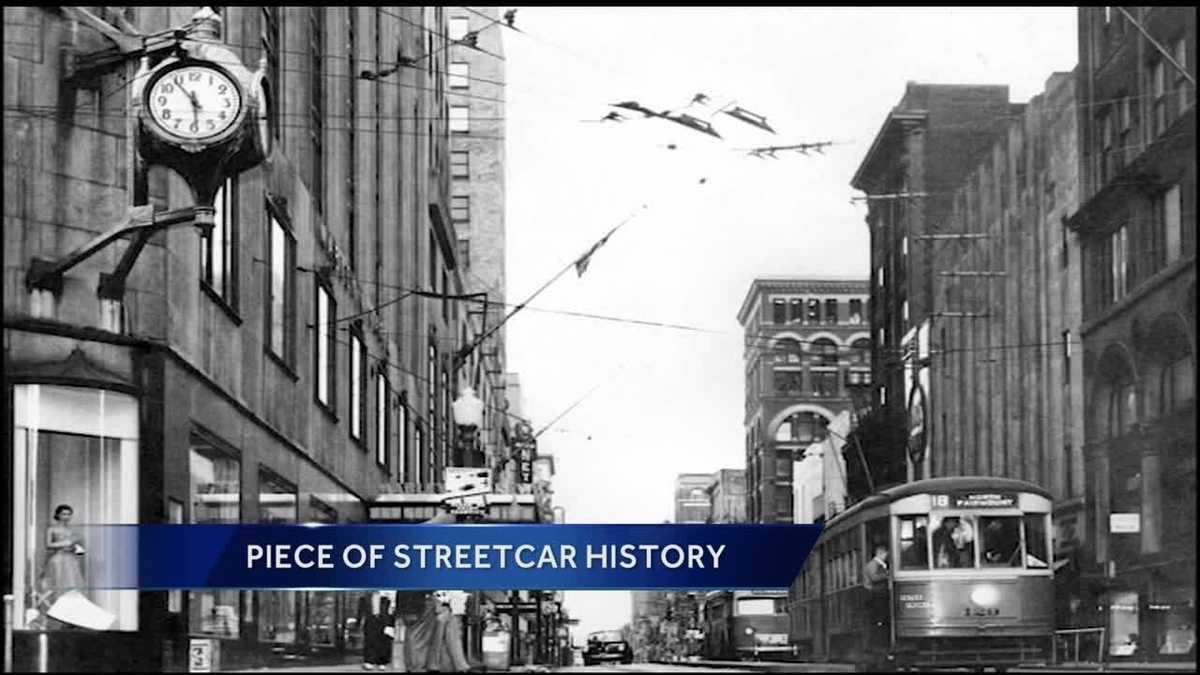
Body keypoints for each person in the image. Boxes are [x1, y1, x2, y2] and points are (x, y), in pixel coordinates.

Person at [40, 504, 85, 598]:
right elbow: (48, 545)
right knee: (58, 583)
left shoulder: (71, 530)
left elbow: (77, 547)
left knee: (72, 583)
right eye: (64, 514)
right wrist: (65, 543)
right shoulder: (52, 529)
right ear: (58, 515)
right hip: (58, 559)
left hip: (71, 559)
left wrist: (75, 547)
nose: (66, 516)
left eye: (69, 514)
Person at [863, 544, 891, 655]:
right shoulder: (873, 565)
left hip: (878, 595)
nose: (886, 556)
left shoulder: (879, 564)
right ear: (880, 553)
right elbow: (874, 577)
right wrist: (887, 574)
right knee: (878, 619)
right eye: (885, 554)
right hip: (875, 596)